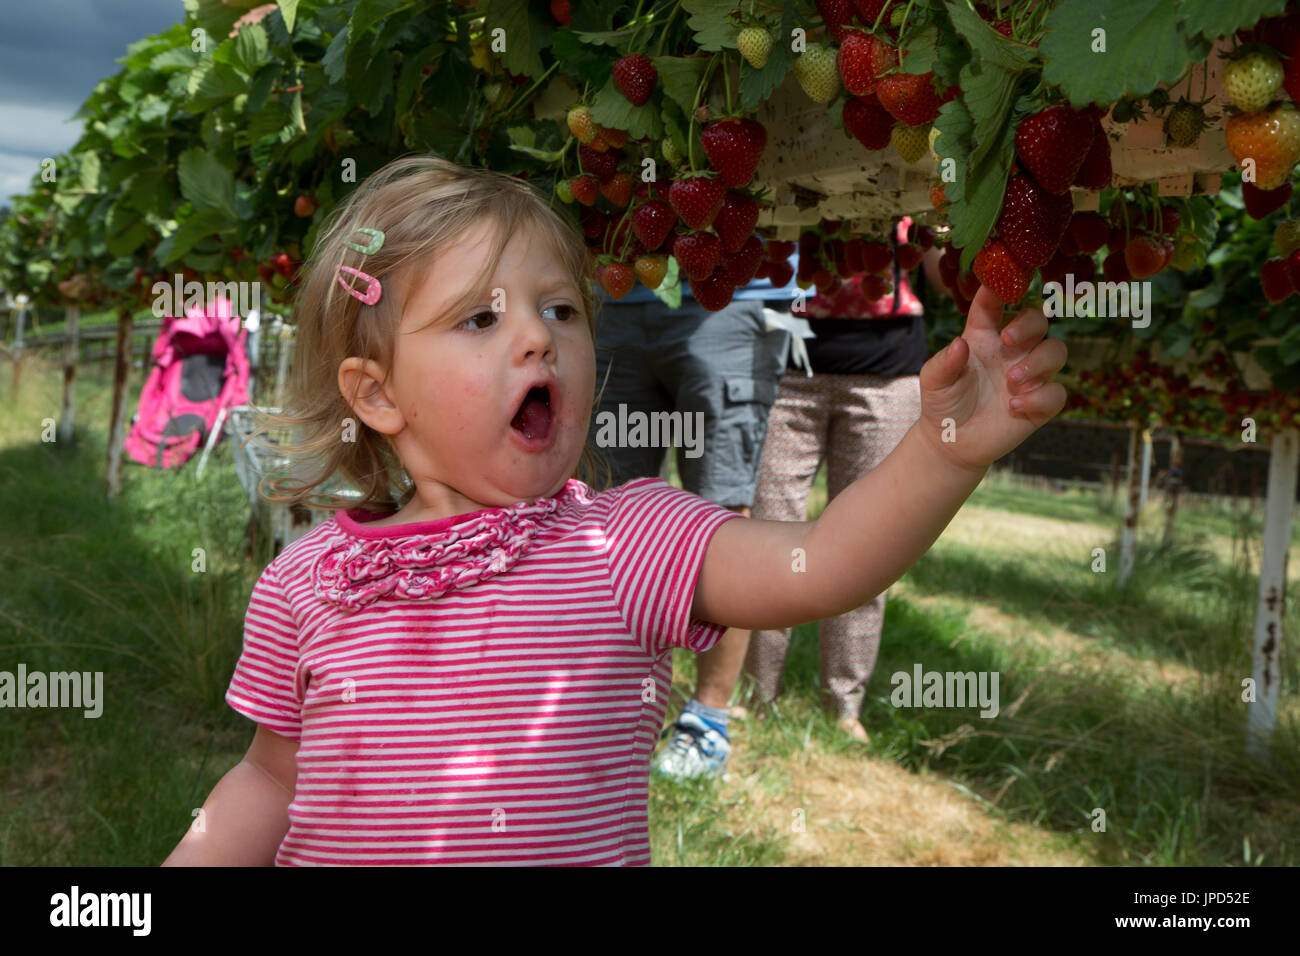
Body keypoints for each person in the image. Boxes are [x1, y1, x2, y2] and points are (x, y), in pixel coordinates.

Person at [161, 156, 1067, 866]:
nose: (537, 335)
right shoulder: (308, 580)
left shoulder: (624, 539)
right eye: (480, 320)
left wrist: (945, 449)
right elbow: (269, 778)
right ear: (377, 392)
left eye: (561, 309)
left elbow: (828, 563)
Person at [589, 248, 799, 781]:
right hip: (611, 290)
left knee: (724, 517)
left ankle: (706, 723)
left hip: (733, 290)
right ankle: (599, 714)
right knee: (595, 513)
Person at [743, 218, 944, 744]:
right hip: (787, 368)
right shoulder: (797, 167)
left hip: (888, 372)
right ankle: (753, 695)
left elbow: (945, 277)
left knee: (865, 541)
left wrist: (952, 227)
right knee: (767, 533)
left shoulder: (908, 185)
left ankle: (844, 704)